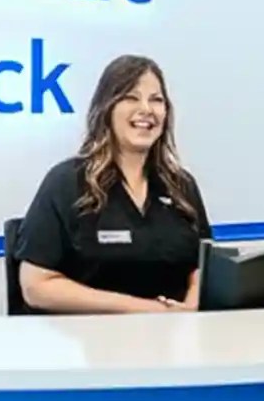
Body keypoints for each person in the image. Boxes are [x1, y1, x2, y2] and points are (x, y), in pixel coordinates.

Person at [14, 54, 211, 313]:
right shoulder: (67, 183)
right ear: (107, 108)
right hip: (89, 345)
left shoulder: (181, 186)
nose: (147, 109)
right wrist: (146, 310)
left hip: (175, 342)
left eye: (156, 100)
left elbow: (204, 267)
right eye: (131, 97)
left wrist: (192, 305)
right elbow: (36, 286)